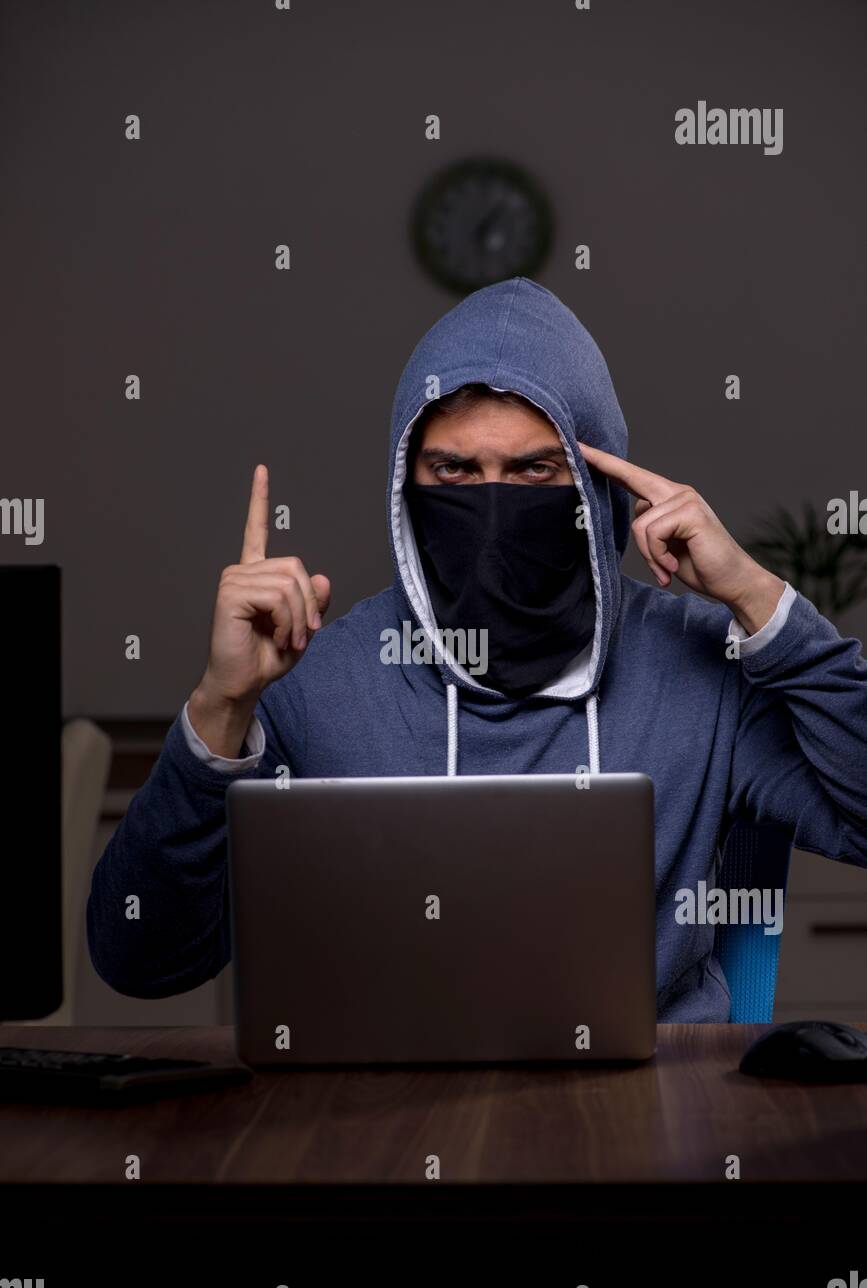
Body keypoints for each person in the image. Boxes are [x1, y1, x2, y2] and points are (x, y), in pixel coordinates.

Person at [87, 276, 867, 1022]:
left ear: (596, 489)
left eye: (534, 470)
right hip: (380, 1118)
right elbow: (143, 962)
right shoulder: (309, 672)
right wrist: (220, 708)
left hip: (647, 1112)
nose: (492, 506)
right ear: (406, 486)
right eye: (454, 471)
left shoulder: (703, 665)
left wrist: (759, 600)